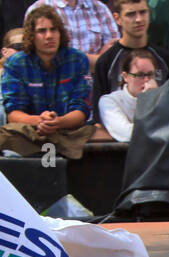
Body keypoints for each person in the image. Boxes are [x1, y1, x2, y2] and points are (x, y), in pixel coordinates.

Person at [0, 6, 95, 157]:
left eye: (54, 29)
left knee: (95, 135)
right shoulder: (16, 63)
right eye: (42, 31)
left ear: (60, 33)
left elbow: (81, 110)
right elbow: (13, 113)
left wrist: (58, 122)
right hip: (29, 131)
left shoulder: (77, 59)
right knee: (5, 138)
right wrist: (40, 121)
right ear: (31, 35)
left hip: (69, 131)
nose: (49, 36)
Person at [92, 0, 169, 102]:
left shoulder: (165, 58)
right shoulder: (106, 61)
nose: (138, 19)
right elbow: (98, 111)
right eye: (130, 14)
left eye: (143, 12)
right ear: (117, 18)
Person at [96, 44, 156, 140]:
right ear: (125, 77)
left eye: (150, 74)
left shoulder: (162, 98)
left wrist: (155, 101)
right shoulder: (109, 101)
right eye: (140, 75)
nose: (146, 80)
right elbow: (128, 135)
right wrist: (146, 102)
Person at [22, 0, 114, 62]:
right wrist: (97, 60)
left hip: (98, 81)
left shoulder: (100, 8)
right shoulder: (39, 8)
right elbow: (44, 56)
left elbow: (114, 55)